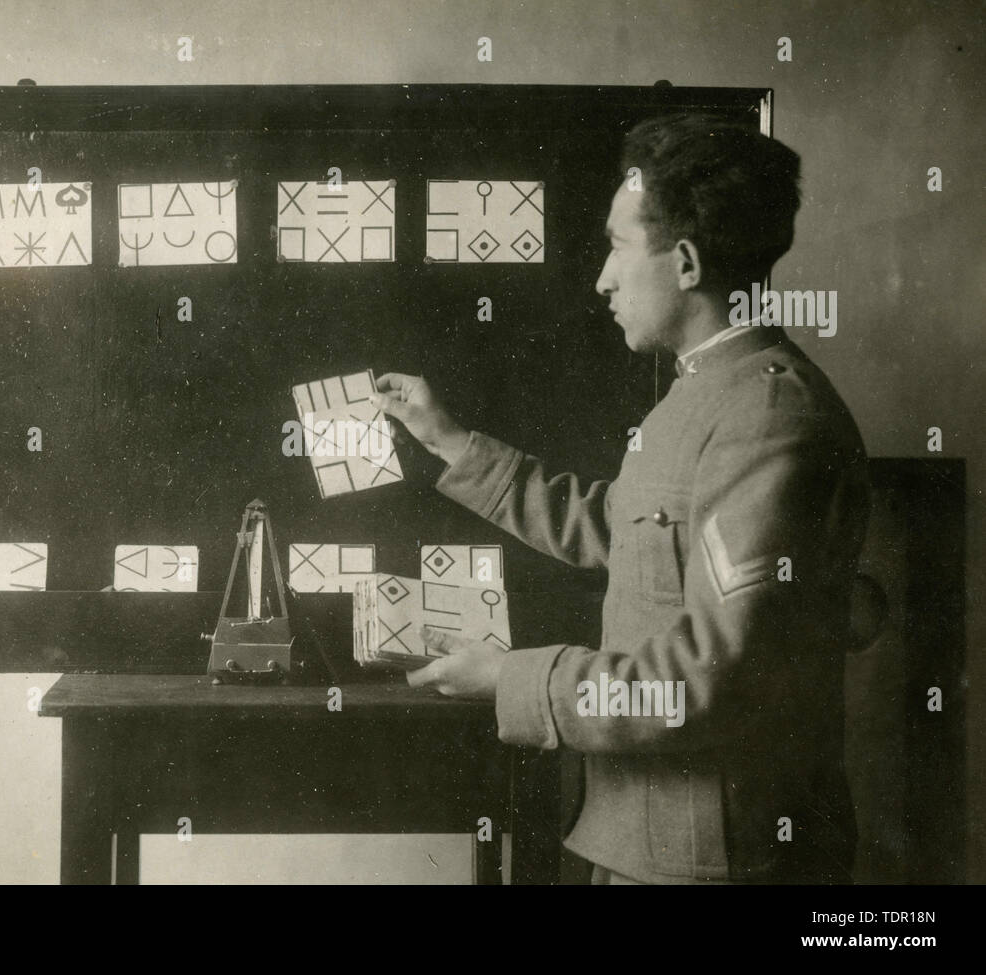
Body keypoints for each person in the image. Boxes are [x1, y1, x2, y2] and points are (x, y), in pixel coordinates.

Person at [372, 114, 870, 884]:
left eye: (617, 245)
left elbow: (704, 676)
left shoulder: (770, 421)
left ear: (688, 261)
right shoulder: (707, 395)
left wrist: (514, 680)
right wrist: (447, 439)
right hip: (656, 844)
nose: (602, 277)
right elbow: (625, 531)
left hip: (715, 863)